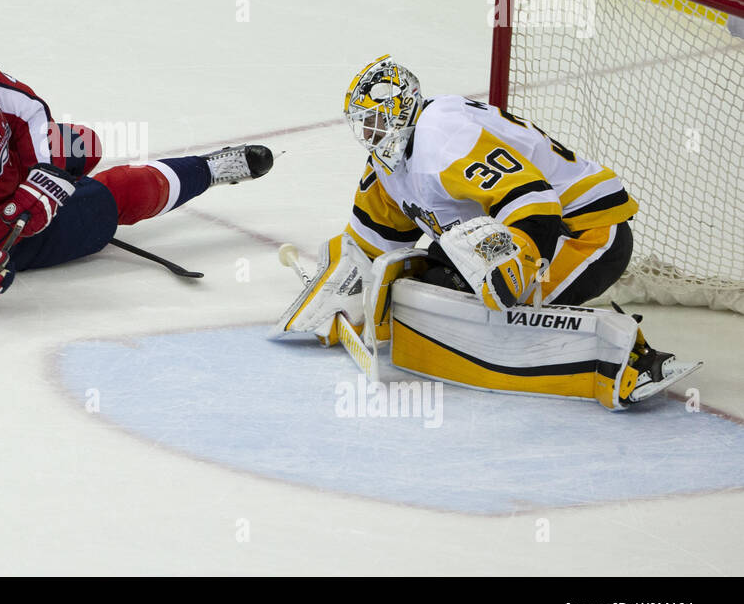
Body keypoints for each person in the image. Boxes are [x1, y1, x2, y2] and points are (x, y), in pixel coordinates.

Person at [271, 54, 700, 409]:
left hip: (584, 231)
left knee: (511, 314)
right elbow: (369, 247)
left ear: (403, 109)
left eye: (378, 121)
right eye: (364, 124)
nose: (371, 133)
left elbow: (535, 204)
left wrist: (519, 265)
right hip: (513, 230)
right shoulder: (386, 166)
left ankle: (631, 357)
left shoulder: (445, 135)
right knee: (430, 291)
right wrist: (343, 293)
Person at [0, 24, 274, 296]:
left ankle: (44, 179)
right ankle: (210, 169)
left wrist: (43, 174)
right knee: (105, 200)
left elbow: (29, 110)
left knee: (84, 145)